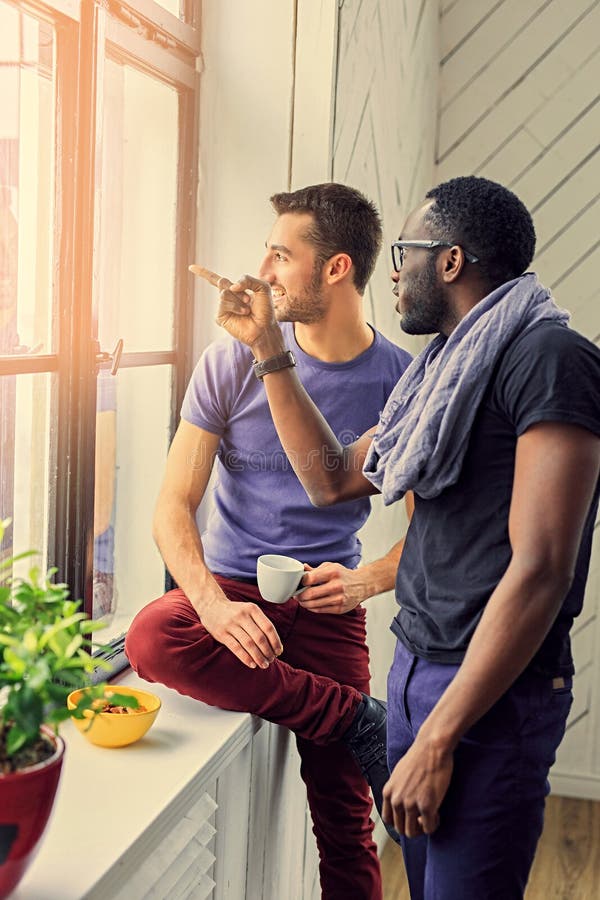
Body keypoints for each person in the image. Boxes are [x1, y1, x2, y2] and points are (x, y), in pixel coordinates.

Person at [199, 175, 600, 900]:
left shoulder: (551, 359)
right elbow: (331, 479)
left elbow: (543, 569)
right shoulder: (440, 372)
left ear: (449, 261)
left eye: (404, 253)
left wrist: (440, 736)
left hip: (489, 694)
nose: (391, 273)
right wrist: (267, 348)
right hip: (416, 672)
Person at [125, 183, 413, 900]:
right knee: (153, 635)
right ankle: (355, 718)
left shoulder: (401, 384)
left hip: (327, 608)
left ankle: (350, 720)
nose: (262, 271)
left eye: (281, 255)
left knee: (347, 828)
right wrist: (213, 606)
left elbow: (425, 536)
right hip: (230, 591)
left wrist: (365, 581)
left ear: (336, 268)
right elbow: (172, 506)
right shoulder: (227, 362)